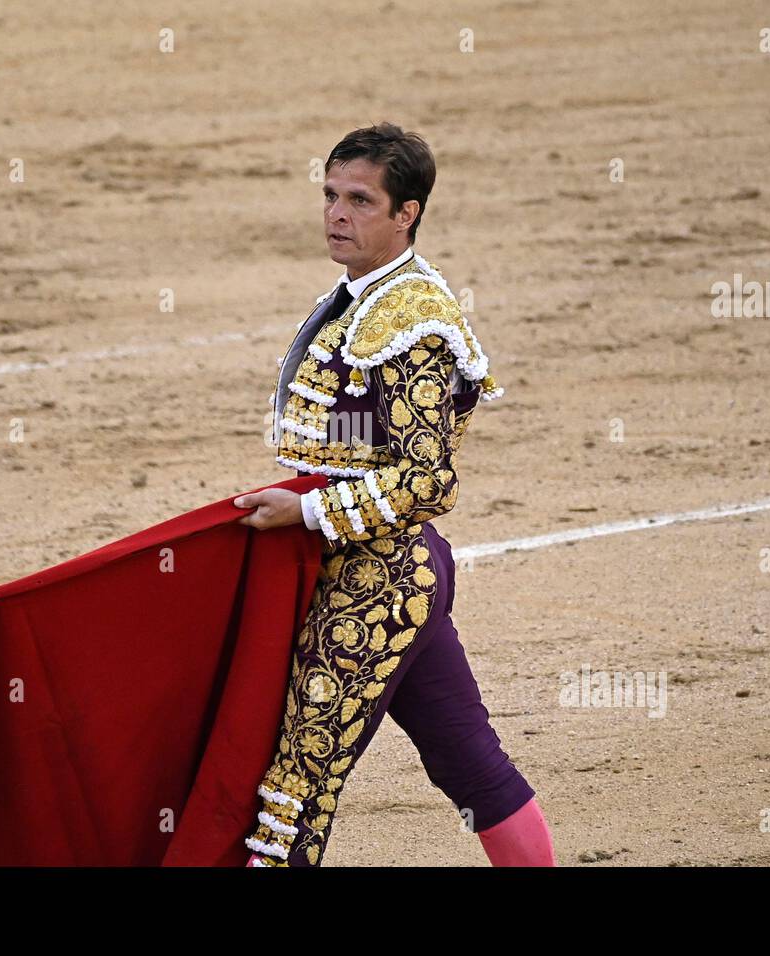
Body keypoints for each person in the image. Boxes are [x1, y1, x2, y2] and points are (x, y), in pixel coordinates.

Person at [232, 123, 556, 867]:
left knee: (292, 788)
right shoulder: (358, 299)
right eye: (330, 196)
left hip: (377, 579)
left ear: (405, 213)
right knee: (469, 764)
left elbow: (426, 477)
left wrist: (308, 510)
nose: (336, 215)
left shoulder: (410, 322)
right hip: (377, 571)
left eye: (359, 201)